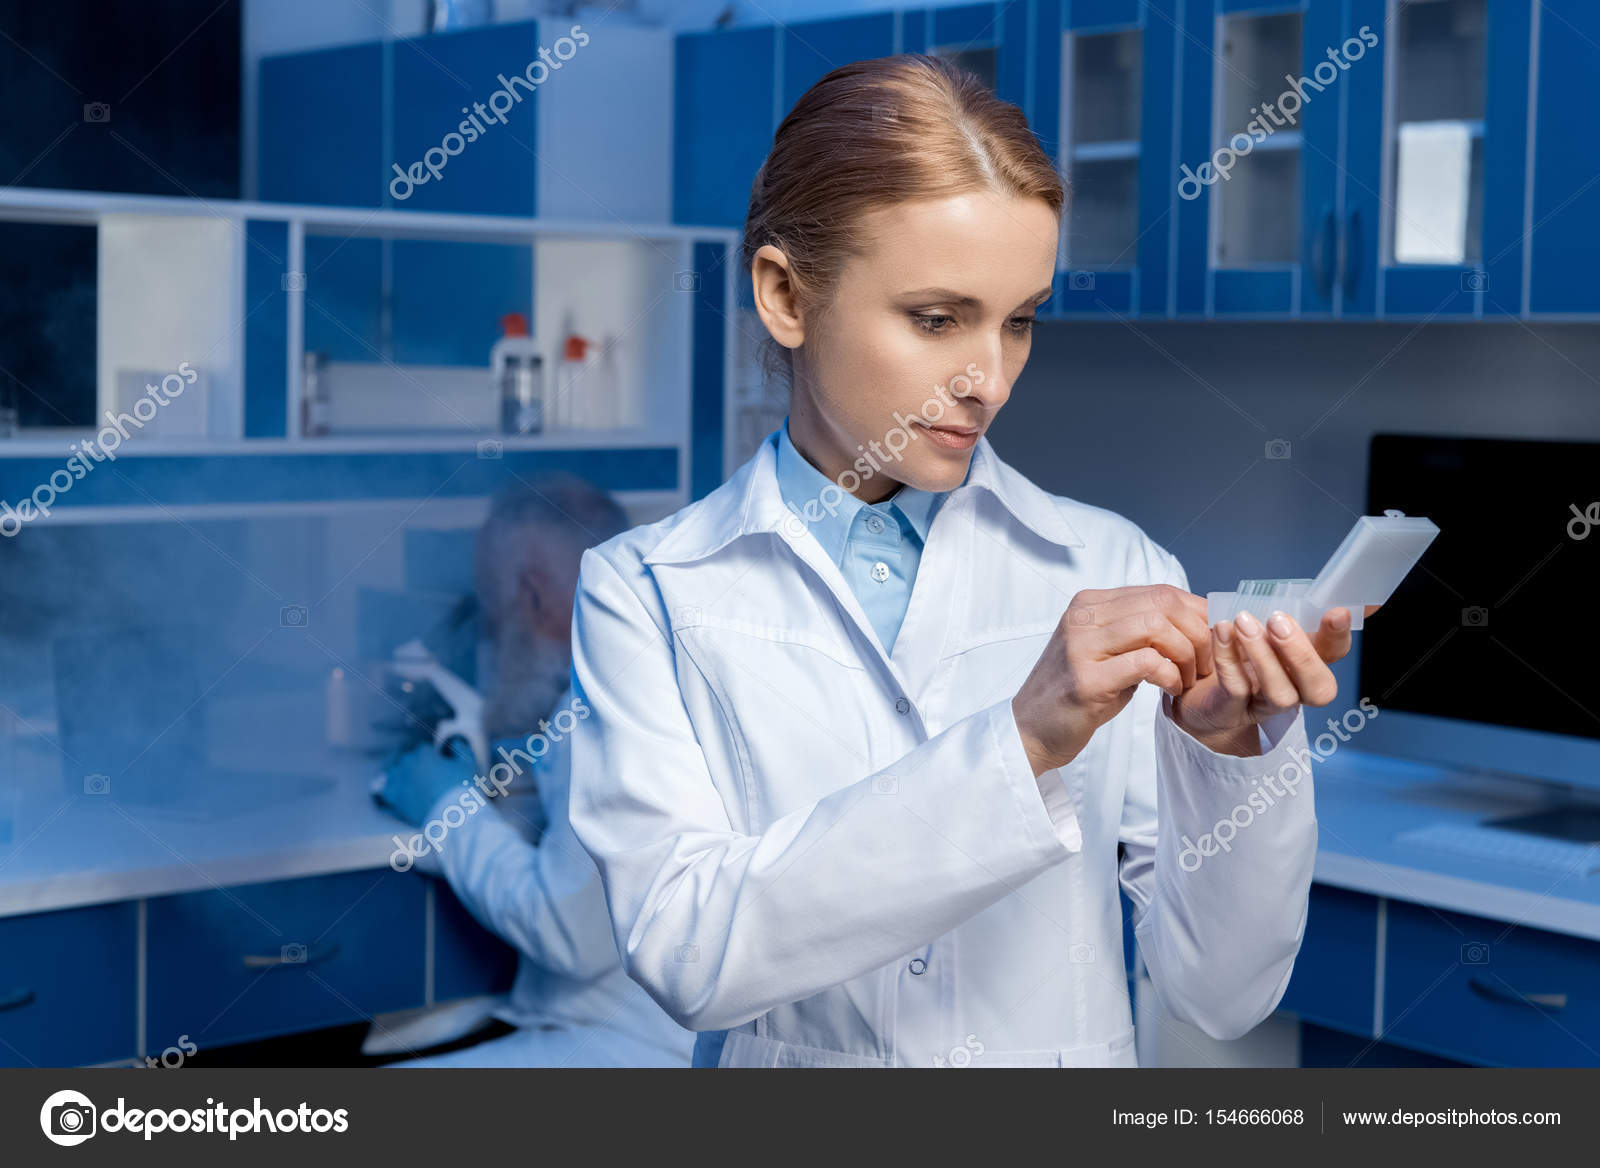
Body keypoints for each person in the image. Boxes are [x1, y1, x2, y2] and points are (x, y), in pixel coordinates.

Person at [565, 55, 1368, 1069]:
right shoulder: (646, 589)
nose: (988, 378)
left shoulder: (1111, 562)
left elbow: (1221, 994)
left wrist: (1222, 761)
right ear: (783, 294)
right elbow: (689, 954)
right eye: (937, 318)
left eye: (1019, 319)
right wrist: (1023, 739)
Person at [377, 474, 694, 1067]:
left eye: (491, 599)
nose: (492, 624)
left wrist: (447, 806)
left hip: (630, 1051)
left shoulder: (601, 709)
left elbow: (569, 931)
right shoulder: (651, 675)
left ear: (531, 595)